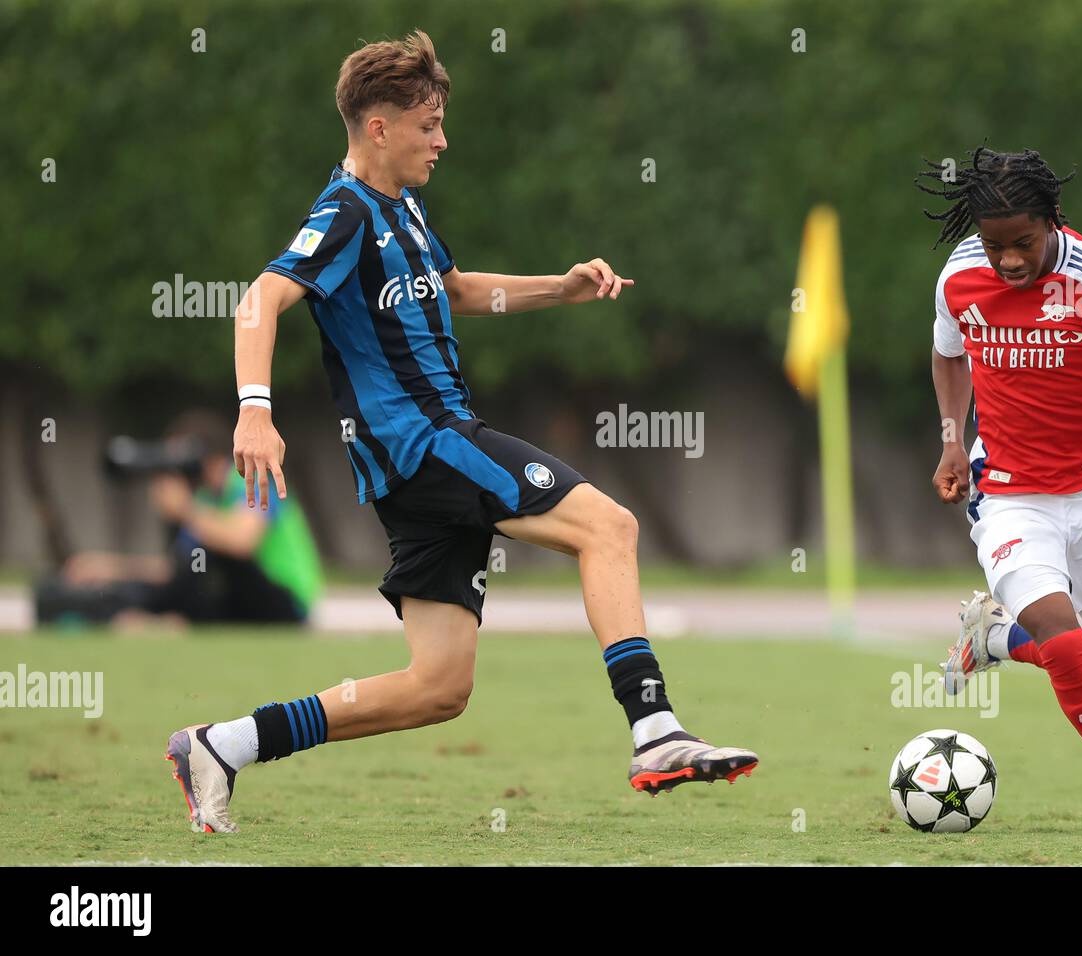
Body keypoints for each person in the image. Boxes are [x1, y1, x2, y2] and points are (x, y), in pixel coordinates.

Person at [165, 30, 756, 833]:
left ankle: (222, 745)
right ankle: (653, 727)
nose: (442, 141)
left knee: (437, 688)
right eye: (428, 125)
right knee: (609, 527)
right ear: (378, 127)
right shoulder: (342, 213)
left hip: (419, 467)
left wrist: (561, 288)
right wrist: (256, 408)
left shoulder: (402, 206)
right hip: (427, 442)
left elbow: (455, 289)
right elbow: (258, 300)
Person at [917, 147, 1082, 835]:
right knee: (1069, 647)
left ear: (1052, 221)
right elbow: (949, 350)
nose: (1007, 260)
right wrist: (953, 440)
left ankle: (998, 641)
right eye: (994, 244)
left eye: (1023, 243)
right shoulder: (959, 274)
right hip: (1008, 497)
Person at [43, 410, 320, 627]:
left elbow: (241, 543)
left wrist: (186, 511)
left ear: (210, 458)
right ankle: (129, 615)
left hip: (286, 603)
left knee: (210, 551)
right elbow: (175, 569)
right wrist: (111, 568)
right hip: (236, 602)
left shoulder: (252, 481)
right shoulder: (204, 501)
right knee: (143, 586)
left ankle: (165, 618)